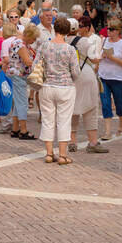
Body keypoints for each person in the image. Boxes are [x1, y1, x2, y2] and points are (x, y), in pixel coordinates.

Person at [36, 15, 80, 164]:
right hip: (65, 87)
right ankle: (62, 155)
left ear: (54, 29)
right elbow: (76, 72)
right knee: (64, 121)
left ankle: (49, 153)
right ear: (67, 32)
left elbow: (36, 64)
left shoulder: (44, 46)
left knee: (48, 120)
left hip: (47, 86)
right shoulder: (70, 49)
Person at [69, 17, 108, 153]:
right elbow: (94, 58)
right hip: (84, 75)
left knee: (71, 109)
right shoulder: (84, 41)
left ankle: (71, 142)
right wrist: (103, 56)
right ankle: (92, 142)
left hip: (68, 77)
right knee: (90, 108)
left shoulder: (59, 42)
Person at [1, 20, 36, 139]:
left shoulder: (20, 42)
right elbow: (27, 61)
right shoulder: (20, 44)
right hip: (18, 76)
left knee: (17, 103)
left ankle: (15, 129)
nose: (34, 41)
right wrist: (39, 63)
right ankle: (23, 130)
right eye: (34, 39)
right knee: (22, 103)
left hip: (15, 75)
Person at [98, 19, 122, 139]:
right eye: (108, 28)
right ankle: (107, 131)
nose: (109, 31)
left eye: (111, 29)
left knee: (119, 102)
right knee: (105, 103)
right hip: (103, 76)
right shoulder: (103, 41)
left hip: (117, 78)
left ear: (118, 31)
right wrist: (100, 57)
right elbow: (97, 56)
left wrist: (112, 58)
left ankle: (121, 124)